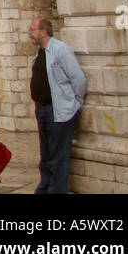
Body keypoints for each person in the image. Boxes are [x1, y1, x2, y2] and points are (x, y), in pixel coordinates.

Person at [28, 17, 87, 193]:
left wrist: (75, 102)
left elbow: (78, 79)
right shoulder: (41, 52)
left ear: (43, 32)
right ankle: (45, 187)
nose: (30, 33)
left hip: (59, 110)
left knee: (59, 155)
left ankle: (56, 190)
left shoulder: (61, 50)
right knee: (46, 154)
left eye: (32, 29)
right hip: (43, 110)